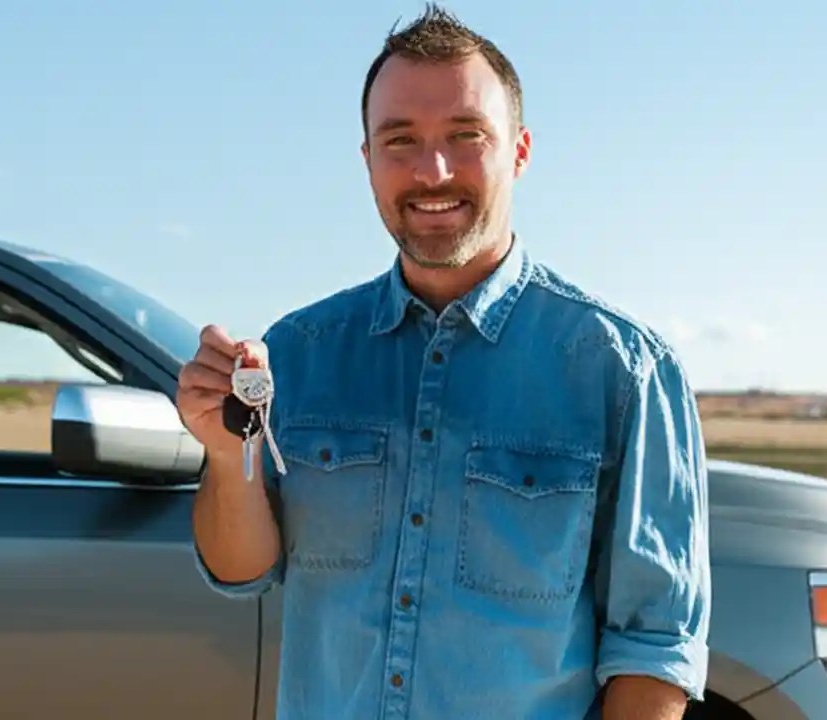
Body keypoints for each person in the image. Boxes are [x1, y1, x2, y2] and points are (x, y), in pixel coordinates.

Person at [176, 4, 711, 719]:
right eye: (401, 141)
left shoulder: (624, 370)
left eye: (466, 137)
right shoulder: (298, 352)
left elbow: (653, 651)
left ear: (518, 150)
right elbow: (242, 572)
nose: (433, 172)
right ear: (367, 159)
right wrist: (222, 454)